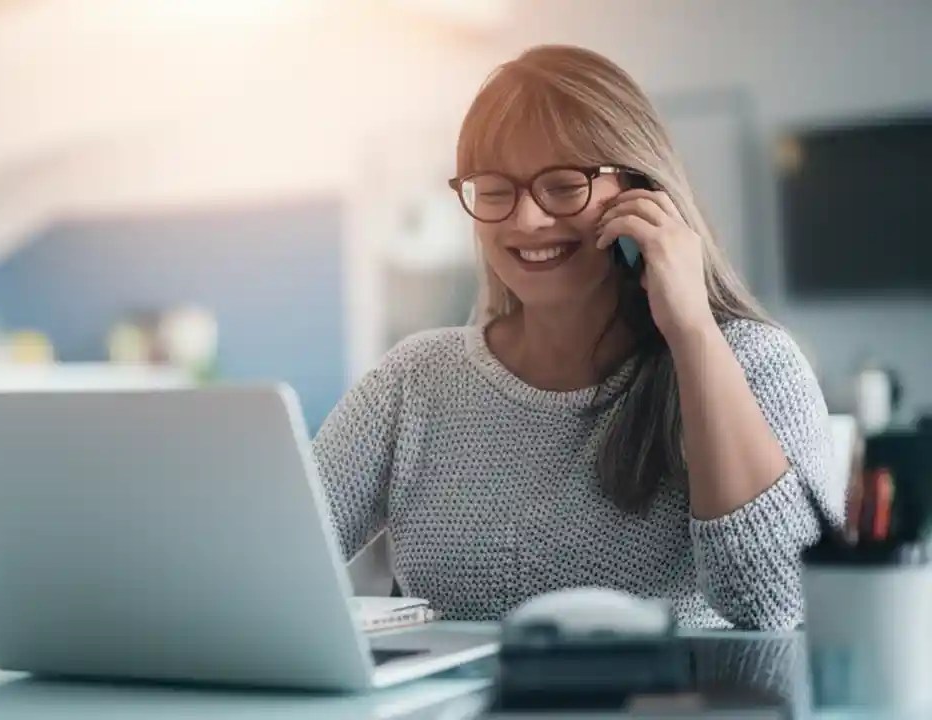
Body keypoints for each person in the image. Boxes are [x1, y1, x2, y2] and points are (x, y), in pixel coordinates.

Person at [312, 45, 843, 630]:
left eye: (564, 186)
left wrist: (691, 332)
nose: (526, 220)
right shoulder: (413, 380)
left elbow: (776, 605)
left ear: (642, 193)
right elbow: (274, 559)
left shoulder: (756, 363)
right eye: (494, 191)